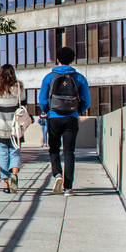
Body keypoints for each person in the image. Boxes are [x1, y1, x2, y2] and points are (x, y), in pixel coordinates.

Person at [39, 46, 91, 196]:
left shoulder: (49, 77)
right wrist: (77, 110)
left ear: (58, 60)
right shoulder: (79, 78)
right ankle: (68, 188)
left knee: (54, 149)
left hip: (54, 118)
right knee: (69, 152)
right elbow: (87, 101)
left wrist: (49, 111)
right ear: (72, 60)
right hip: (71, 118)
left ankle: (57, 175)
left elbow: (42, 100)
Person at [0, 64, 25, 193]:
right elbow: (23, 104)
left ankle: (6, 185)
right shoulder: (19, 86)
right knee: (15, 152)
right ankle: (14, 173)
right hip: (15, 126)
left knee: (3, 154)